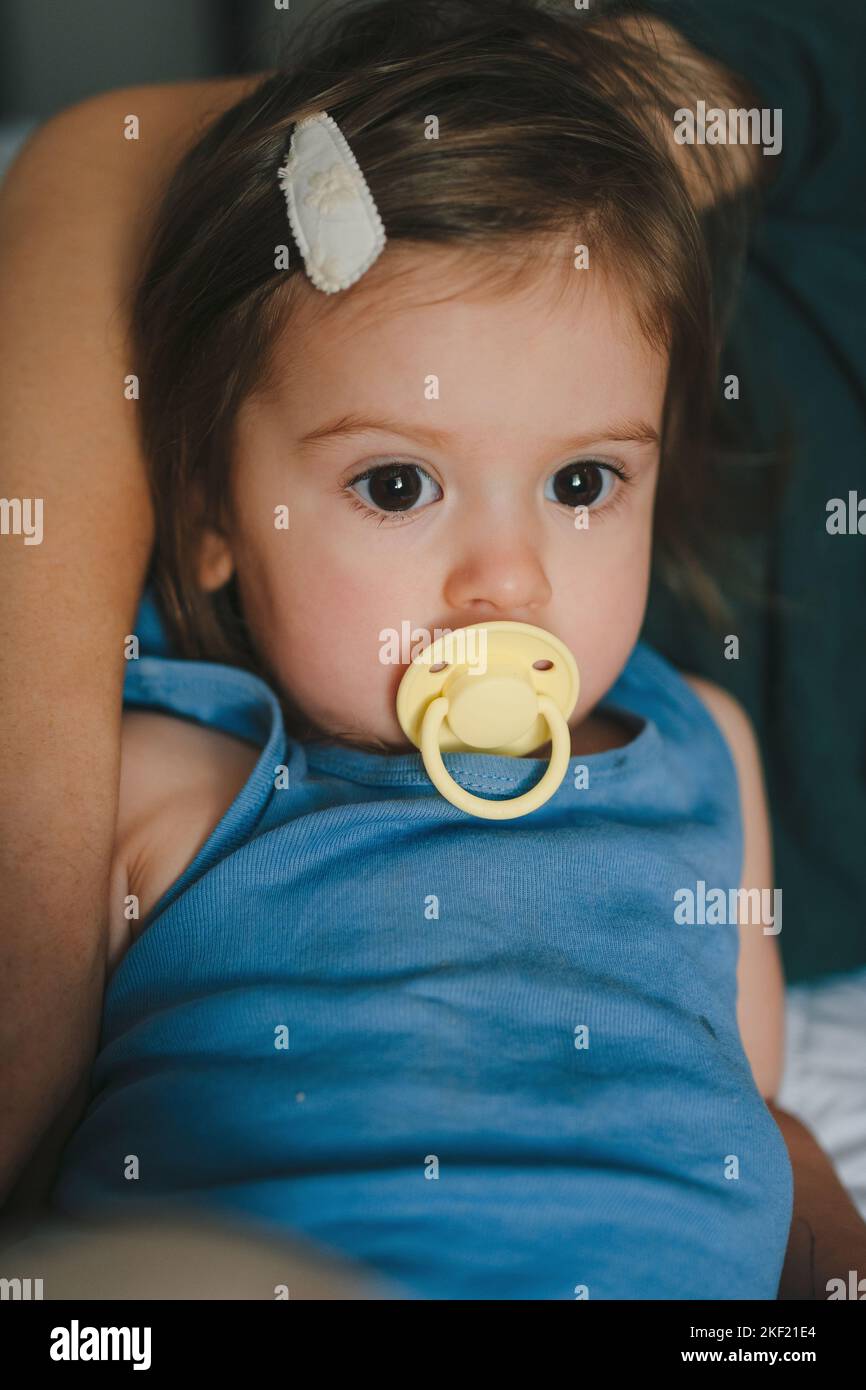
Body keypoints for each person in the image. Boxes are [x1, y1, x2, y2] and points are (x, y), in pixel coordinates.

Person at [0, 0, 862, 1299]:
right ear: (211, 519)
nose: (509, 575)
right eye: (397, 486)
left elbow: (751, 1112)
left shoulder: (705, 759)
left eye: (581, 482)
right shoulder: (159, 785)